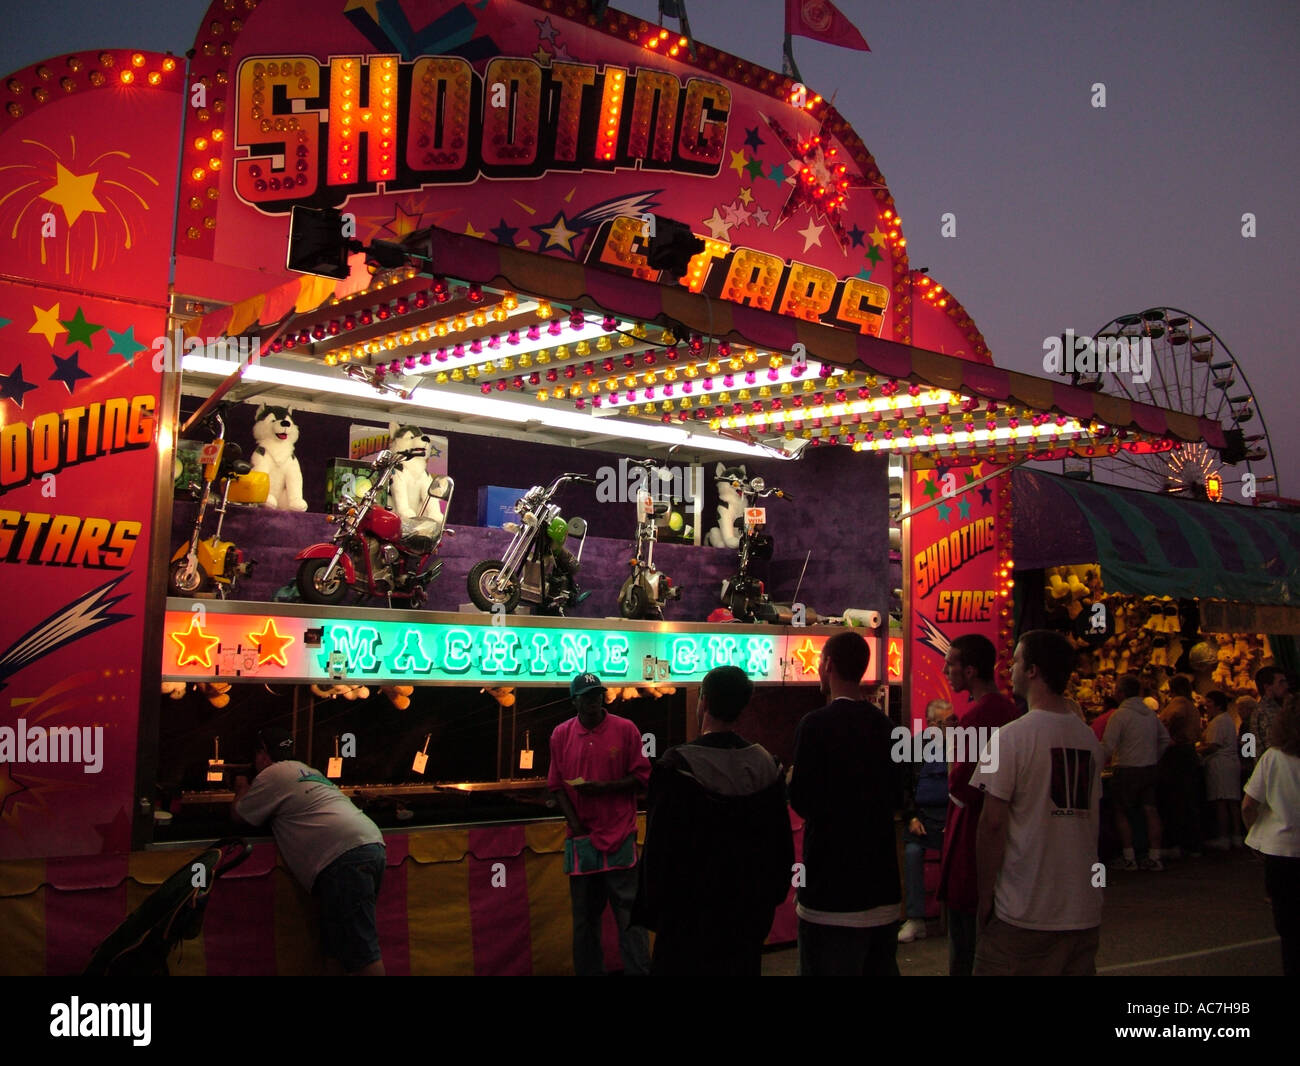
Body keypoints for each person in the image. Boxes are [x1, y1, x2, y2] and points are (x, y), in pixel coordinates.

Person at [633, 666, 794, 975]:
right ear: (742, 707)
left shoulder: (677, 766)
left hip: (688, 922)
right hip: (747, 917)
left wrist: (656, 912)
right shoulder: (766, 765)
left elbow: (659, 853)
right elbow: (780, 849)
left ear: (704, 701)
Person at [972, 630, 1105, 976]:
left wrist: (984, 896)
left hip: (1025, 910)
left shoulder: (1010, 738)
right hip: (1082, 909)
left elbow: (992, 824)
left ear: (1033, 670)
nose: (1010, 669)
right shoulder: (1088, 739)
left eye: (1016, 661)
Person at [789, 630, 902, 976]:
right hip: (881, 891)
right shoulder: (888, 727)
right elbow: (898, 795)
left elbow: (802, 799)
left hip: (829, 894)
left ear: (828, 665)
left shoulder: (814, 725)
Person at [232, 726, 386, 975]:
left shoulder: (271, 774)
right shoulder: (308, 770)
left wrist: (241, 784)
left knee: (362, 953)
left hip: (342, 856)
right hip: (369, 843)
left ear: (263, 754)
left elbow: (239, 815)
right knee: (336, 948)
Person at [547, 672, 651, 976]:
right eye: (587, 696)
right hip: (582, 841)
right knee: (584, 922)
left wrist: (605, 788)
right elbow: (556, 786)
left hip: (620, 837)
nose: (594, 701)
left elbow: (643, 778)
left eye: (597, 695)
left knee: (629, 917)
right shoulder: (560, 735)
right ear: (574, 701)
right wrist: (576, 826)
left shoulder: (626, 729)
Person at [937, 633, 1020, 977]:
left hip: (971, 847)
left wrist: (950, 744)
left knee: (966, 951)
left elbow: (959, 789)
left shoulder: (976, 718)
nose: (945, 671)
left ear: (970, 670)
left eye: (950, 664)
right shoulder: (1012, 713)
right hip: (1007, 853)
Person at [1242, 703, 1300, 976]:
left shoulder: (1273, 758)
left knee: (1289, 931)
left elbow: (1248, 805)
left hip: (1281, 851)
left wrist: (1254, 834)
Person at [1103, 674, 1172, 870]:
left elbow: (1107, 746)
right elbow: (1165, 739)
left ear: (1121, 693)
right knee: (1151, 810)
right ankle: (1154, 856)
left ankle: (1129, 857)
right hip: (1149, 768)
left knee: (1121, 812)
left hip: (1125, 769)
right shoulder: (1149, 714)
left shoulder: (1120, 715)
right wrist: (1153, 756)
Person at [898, 698, 953, 944]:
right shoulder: (912, 747)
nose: (941, 728)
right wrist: (911, 817)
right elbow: (904, 788)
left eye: (946, 723)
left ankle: (957, 918)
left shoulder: (959, 747)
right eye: (937, 723)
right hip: (921, 817)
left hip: (950, 816)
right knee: (912, 851)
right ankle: (915, 920)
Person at [1157, 691, 1204, 859]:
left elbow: (1173, 717)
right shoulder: (1193, 708)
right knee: (1190, 802)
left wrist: (1168, 732)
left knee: (1176, 802)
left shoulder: (1178, 705)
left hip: (1177, 758)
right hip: (1189, 755)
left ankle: (1177, 843)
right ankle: (1194, 845)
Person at [1200, 689, 1244, 849]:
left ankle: (1224, 837)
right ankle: (1237, 836)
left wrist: (1195, 749)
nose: (1206, 706)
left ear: (1217, 704)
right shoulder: (1227, 719)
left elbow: (1213, 746)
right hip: (1229, 764)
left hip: (1221, 765)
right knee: (1232, 802)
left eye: (1209, 702)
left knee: (1221, 801)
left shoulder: (1218, 722)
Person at [1249, 667, 1287, 762]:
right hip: (1275, 765)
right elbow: (1275, 746)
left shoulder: (1274, 708)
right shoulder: (1265, 712)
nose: (1286, 686)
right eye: (1281, 682)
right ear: (1267, 687)